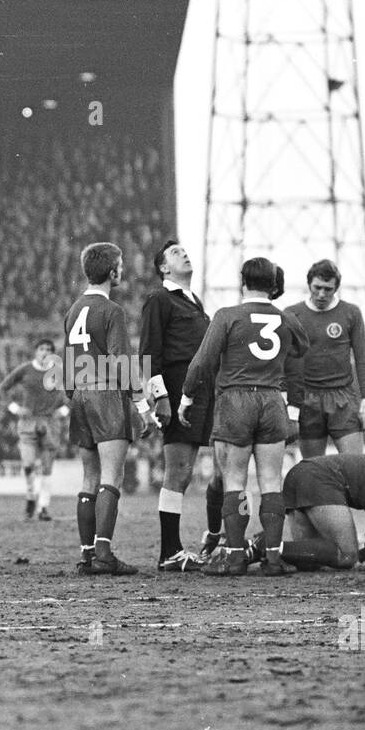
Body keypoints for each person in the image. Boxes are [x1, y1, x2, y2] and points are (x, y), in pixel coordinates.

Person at [180, 257, 308, 576]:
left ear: (243, 282)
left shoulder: (227, 315)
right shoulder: (286, 318)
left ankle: (236, 555)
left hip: (235, 399)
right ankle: (274, 558)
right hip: (271, 399)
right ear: (274, 285)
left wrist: (187, 395)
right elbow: (302, 346)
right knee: (270, 481)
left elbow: (202, 362)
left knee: (234, 481)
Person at [62, 241, 157, 575]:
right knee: (111, 474)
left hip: (81, 395)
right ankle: (104, 554)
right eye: (121, 264)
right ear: (112, 270)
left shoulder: (74, 309)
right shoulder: (112, 311)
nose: (123, 269)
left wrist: (72, 397)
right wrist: (142, 406)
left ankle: (87, 554)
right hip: (105, 395)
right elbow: (122, 360)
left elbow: (68, 361)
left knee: (89, 475)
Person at [285, 258, 365, 566]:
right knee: (312, 470)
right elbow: (287, 365)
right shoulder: (292, 314)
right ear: (309, 284)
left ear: (336, 288)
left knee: (358, 473)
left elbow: (363, 360)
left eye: (328, 289)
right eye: (317, 287)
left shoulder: (350, 313)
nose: (321, 294)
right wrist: (290, 408)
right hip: (308, 401)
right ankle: (320, 542)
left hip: (343, 399)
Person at [139, 240, 214, 571]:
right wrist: (162, 397)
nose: (184, 253)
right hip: (177, 390)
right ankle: (169, 552)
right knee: (178, 470)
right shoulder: (159, 299)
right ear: (164, 269)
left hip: (199, 391)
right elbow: (148, 352)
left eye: (184, 250)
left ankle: (196, 544)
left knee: (184, 472)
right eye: (175, 253)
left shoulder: (193, 301)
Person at [0, 339, 69, 521]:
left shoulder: (58, 371)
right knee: (28, 464)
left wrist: (65, 410)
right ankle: (31, 496)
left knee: (46, 468)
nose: (44, 352)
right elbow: (3, 388)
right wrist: (14, 408)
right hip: (28, 421)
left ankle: (43, 507)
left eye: (48, 349)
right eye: (41, 349)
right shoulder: (25, 369)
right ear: (36, 352)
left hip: (50, 422)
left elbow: (74, 393)